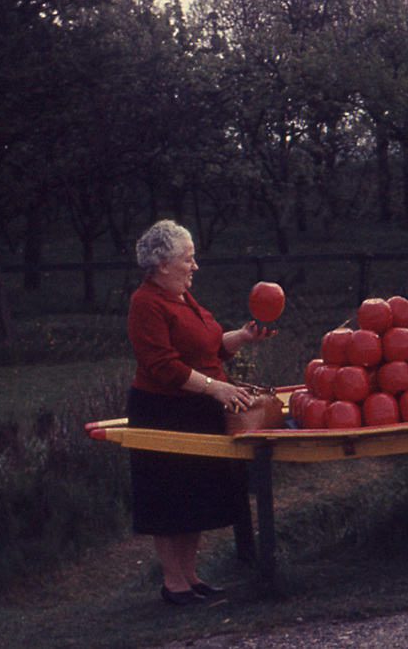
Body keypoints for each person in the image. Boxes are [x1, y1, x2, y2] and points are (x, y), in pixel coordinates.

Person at [127, 219, 275, 605]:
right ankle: (173, 583)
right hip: (163, 411)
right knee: (168, 499)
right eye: (187, 259)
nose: (195, 266)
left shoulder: (181, 297)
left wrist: (241, 337)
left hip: (196, 409)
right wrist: (217, 388)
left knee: (194, 496)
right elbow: (164, 367)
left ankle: (190, 576)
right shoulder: (146, 303)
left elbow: (208, 349)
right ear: (162, 264)